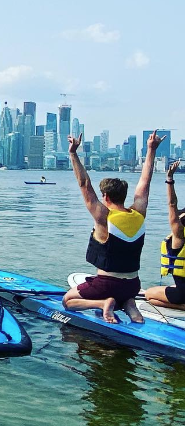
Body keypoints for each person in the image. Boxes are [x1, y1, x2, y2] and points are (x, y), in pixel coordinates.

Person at [63, 130, 165, 324]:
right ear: (124, 195)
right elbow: (145, 181)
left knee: (68, 301)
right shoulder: (139, 213)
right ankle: (128, 303)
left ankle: (102, 304)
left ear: (106, 197)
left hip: (107, 285)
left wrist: (73, 153)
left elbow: (84, 184)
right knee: (124, 292)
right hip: (133, 285)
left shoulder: (104, 217)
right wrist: (151, 149)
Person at [144, 160, 185, 309]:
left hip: (183, 294)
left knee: (149, 294)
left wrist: (170, 179)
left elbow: (172, 204)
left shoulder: (179, 234)